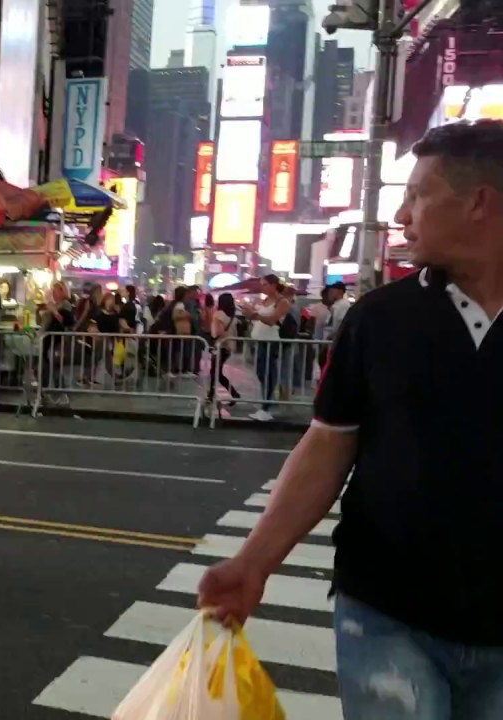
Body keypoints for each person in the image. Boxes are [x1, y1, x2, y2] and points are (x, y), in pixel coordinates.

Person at [198, 120, 503, 720]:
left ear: (479, 203)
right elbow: (329, 445)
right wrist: (253, 562)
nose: (401, 212)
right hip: (387, 612)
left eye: (418, 194)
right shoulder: (379, 319)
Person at [238, 275, 290, 421]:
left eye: (265, 284)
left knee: (268, 373)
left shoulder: (282, 301)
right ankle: (265, 404)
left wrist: (255, 315)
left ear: (274, 285)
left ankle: (266, 407)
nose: (263, 287)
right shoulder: (265, 300)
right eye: (262, 284)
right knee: (261, 373)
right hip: (259, 340)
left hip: (271, 341)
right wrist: (250, 313)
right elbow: (258, 318)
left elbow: (273, 320)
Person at [209, 292, 240, 406]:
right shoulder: (232, 316)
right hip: (228, 346)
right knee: (215, 371)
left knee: (215, 372)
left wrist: (225, 344)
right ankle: (211, 394)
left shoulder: (219, 314)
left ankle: (232, 393)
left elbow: (220, 331)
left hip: (221, 346)